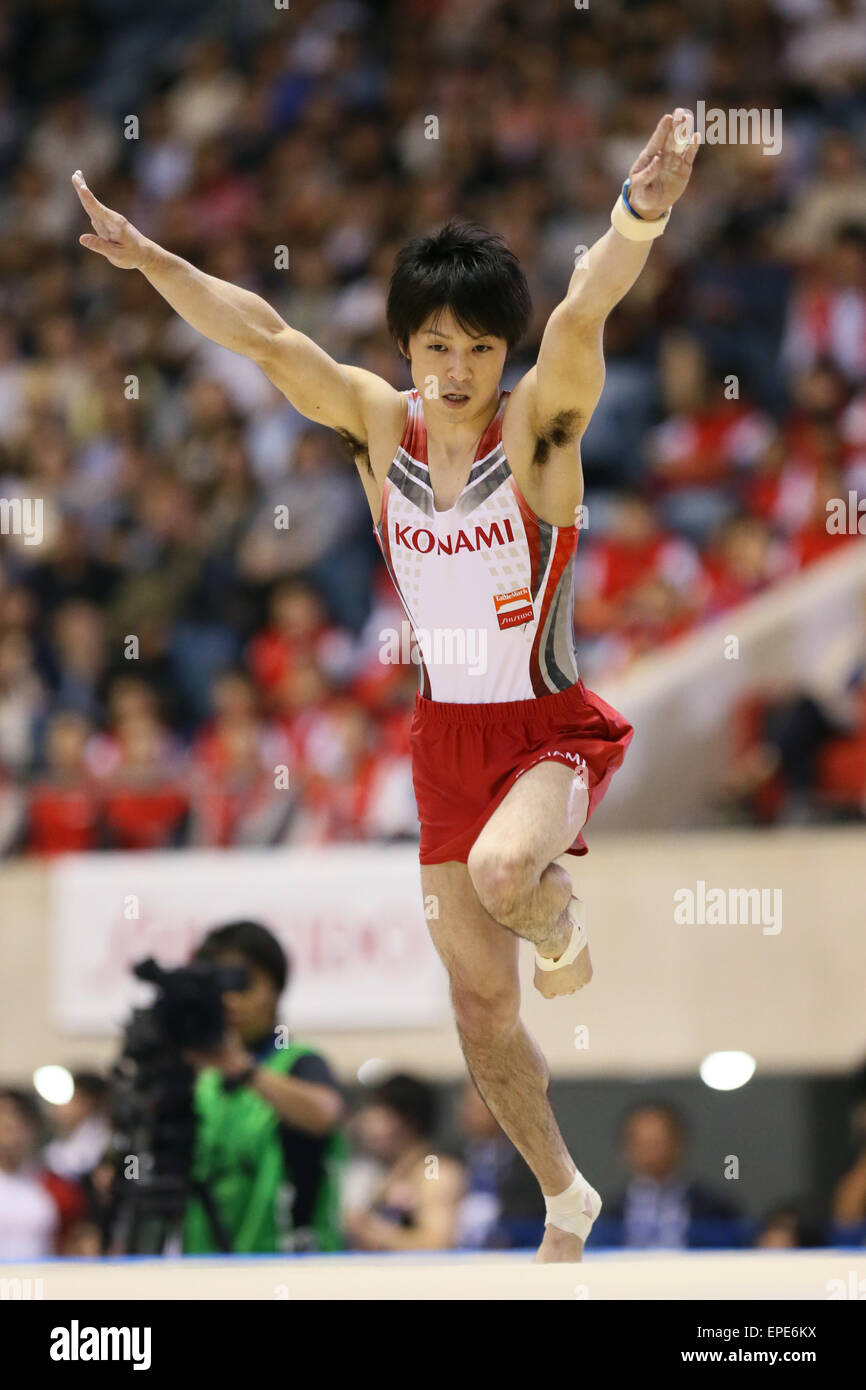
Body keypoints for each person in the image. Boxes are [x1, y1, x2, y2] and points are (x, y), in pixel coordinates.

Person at [72, 108, 700, 1261]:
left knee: (509, 869)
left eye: (475, 348)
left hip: (544, 726)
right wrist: (150, 258)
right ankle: (564, 1195)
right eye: (433, 348)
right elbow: (262, 335)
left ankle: (557, 915)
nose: (455, 373)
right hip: (442, 740)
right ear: (405, 347)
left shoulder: (539, 433)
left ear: (500, 353)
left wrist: (639, 210)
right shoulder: (375, 426)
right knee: (479, 1011)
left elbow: (583, 307)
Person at [182, 920, 346, 1253]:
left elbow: (325, 1114)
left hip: (288, 1267)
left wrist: (242, 1069)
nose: (229, 1001)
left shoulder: (299, 1063)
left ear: (276, 988)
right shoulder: (200, 1080)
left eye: (242, 984)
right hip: (204, 1270)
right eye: (218, 986)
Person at [343, 1073, 464, 1252]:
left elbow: (438, 1243)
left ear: (405, 1120)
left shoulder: (435, 1171)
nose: (366, 1124)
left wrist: (375, 1233)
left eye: (377, 1113)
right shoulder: (389, 1171)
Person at [604, 1102, 741, 1250]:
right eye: (642, 1143)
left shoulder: (716, 1208)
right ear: (626, 1149)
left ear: (678, 1143)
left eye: (657, 1143)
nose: (650, 1153)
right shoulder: (607, 1213)